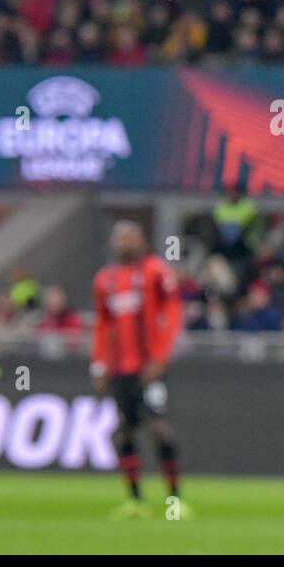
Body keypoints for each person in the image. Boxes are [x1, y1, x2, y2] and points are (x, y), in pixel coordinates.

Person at [92, 220, 191, 519]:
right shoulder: (105, 280)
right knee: (123, 433)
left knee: (160, 430)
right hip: (121, 369)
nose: (125, 243)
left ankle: (175, 501)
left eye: (131, 237)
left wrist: (160, 358)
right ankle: (135, 500)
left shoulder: (156, 272)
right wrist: (100, 364)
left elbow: (173, 313)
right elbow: (103, 325)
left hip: (149, 368)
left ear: (142, 240)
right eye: (120, 238)